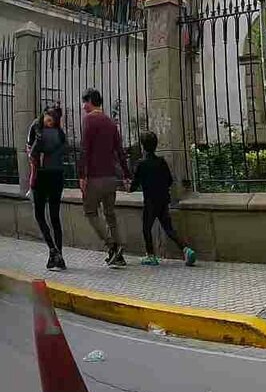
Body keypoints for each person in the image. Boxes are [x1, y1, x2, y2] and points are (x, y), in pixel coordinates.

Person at [79, 88, 129, 268]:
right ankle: (119, 254)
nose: (83, 106)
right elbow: (120, 151)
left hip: (94, 177)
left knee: (91, 212)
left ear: (91, 101)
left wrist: (82, 175)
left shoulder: (89, 120)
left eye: (85, 102)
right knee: (110, 214)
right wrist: (126, 174)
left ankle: (112, 245)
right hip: (110, 179)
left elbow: (85, 149)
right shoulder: (110, 122)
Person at [130, 131, 196, 267]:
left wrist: (128, 186)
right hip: (163, 199)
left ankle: (151, 256)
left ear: (143, 146)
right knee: (168, 228)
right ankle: (186, 249)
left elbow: (134, 185)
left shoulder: (141, 164)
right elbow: (169, 180)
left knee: (146, 228)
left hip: (150, 201)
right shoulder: (161, 161)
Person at [29, 108, 67, 270]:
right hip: (57, 176)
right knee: (55, 216)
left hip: (42, 176)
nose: (48, 122)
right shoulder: (60, 134)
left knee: (39, 214)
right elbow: (63, 152)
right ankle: (59, 255)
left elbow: (32, 155)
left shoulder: (37, 131)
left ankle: (52, 250)